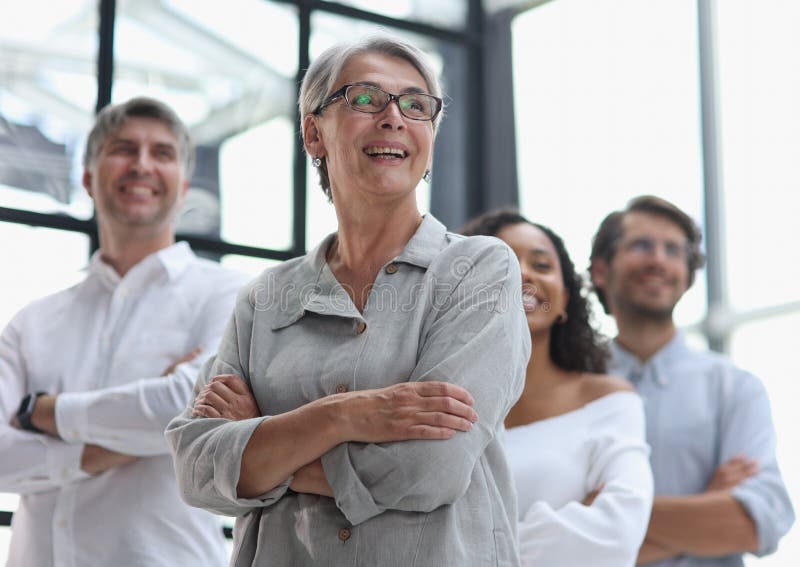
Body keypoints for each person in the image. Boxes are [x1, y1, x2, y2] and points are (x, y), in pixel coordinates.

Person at [166, 36, 530, 567]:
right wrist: (345, 416)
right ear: (314, 132)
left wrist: (265, 448)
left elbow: (430, 468)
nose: (394, 118)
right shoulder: (265, 299)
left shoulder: (479, 270)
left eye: (416, 105)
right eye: (364, 98)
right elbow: (197, 468)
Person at [0, 97, 246, 567]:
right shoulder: (33, 322)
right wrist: (103, 449)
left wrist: (43, 412)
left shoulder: (229, 296)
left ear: (183, 187)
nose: (142, 165)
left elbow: (193, 405)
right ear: (88, 178)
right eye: (124, 149)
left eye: (162, 153)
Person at [589, 195, 795, 566]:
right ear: (601, 271)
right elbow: (547, 540)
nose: (658, 260)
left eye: (673, 250)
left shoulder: (736, 388)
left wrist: (603, 518)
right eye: (641, 245)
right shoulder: (569, 388)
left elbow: (756, 521)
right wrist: (707, 506)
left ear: (687, 276)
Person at [461, 209, 653, 566]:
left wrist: (469, 548)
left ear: (563, 300)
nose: (524, 273)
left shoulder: (609, 401)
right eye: (503, 261)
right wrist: (569, 529)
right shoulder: (447, 405)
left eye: (542, 265)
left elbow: (616, 533)